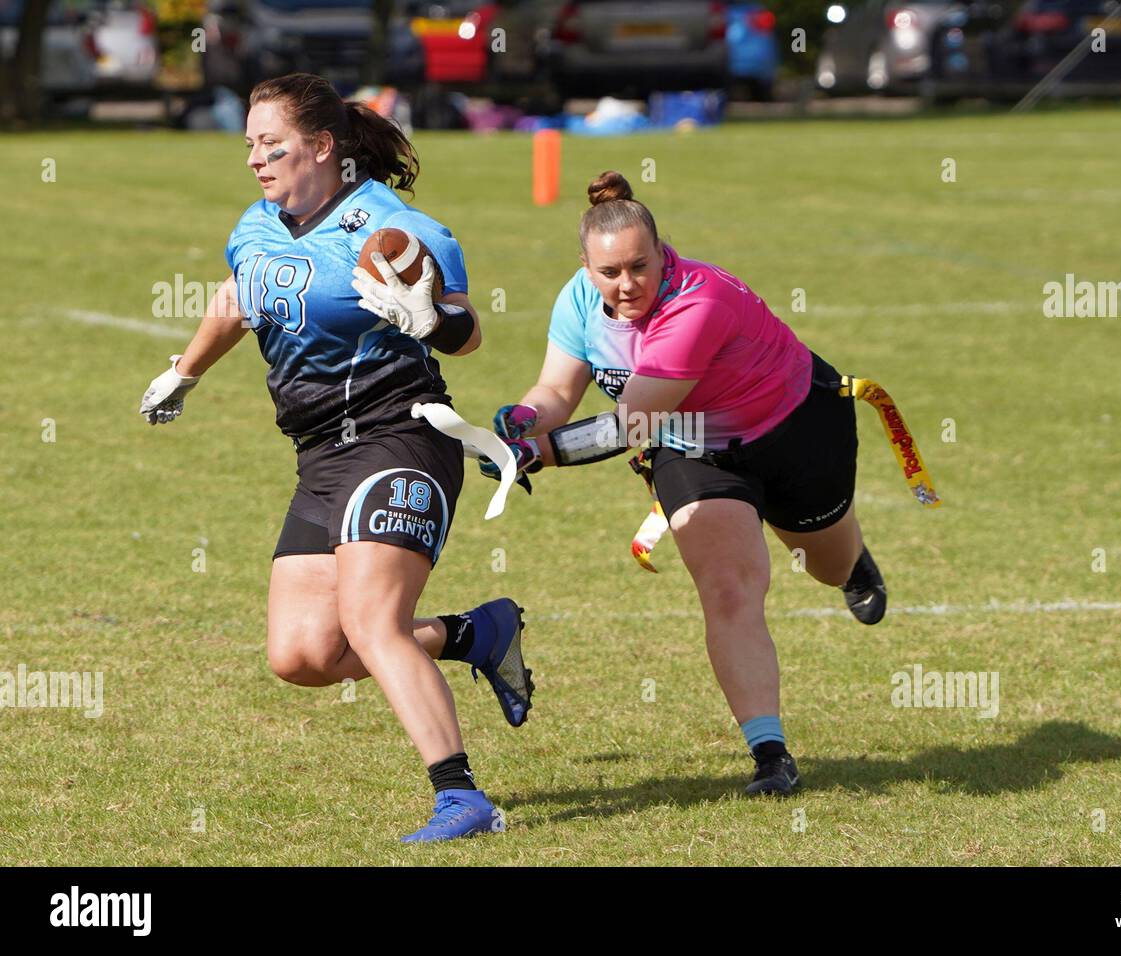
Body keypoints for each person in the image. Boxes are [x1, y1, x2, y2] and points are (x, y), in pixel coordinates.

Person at [137, 73, 534, 842]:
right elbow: (241, 296)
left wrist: (428, 318)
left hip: (401, 435)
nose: (255, 159)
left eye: (271, 144)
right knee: (303, 654)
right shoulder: (258, 221)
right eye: (249, 144)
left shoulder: (388, 226)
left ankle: (461, 798)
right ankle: (473, 636)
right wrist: (183, 372)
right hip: (319, 455)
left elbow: (466, 327)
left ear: (322, 146)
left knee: (369, 619)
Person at [482, 170, 888, 796]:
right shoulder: (580, 298)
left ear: (662, 253)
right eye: (608, 273)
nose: (625, 286)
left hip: (795, 429)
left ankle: (853, 559)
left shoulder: (699, 301)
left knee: (826, 563)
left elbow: (631, 421)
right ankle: (771, 756)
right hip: (693, 448)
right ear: (585, 267)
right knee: (730, 588)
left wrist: (534, 455)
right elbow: (558, 391)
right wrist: (522, 422)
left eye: (639, 268)